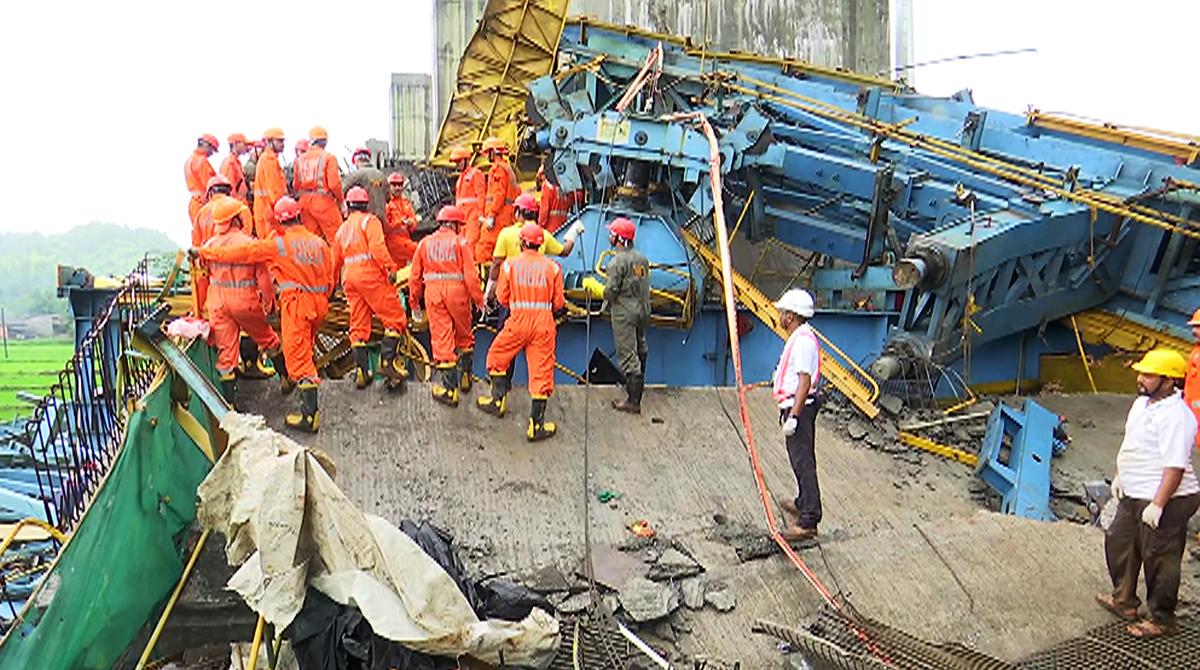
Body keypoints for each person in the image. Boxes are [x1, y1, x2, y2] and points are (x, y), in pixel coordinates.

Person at [191, 196, 334, 433]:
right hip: (315, 304)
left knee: (291, 359)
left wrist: (205, 252)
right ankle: (287, 380)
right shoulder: (319, 243)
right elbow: (328, 279)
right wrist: (270, 302)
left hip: (271, 304)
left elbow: (243, 254)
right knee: (276, 341)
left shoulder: (277, 244)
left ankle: (307, 417)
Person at [1097, 348, 1200, 638]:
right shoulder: (1142, 404)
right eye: (1141, 373)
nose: (1141, 379)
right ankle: (1124, 601)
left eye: (1149, 375)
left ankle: (1162, 619)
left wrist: (1158, 504)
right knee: (1120, 541)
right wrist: (1120, 476)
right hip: (1135, 491)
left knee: (1160, 556)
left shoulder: (1176, 417)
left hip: (1169, 498)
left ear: (1168, 381)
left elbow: (1175, 467)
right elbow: (1133, 443)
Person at [476, 223, 566, 442]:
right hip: (543, 323)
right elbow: (559, 302)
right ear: (540, 243)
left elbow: (501, 298)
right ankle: (536, 425)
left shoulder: (510, 266)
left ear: (522, 242)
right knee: (541, 373)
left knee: (497, 356)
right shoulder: (553, 268)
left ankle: (498, 401)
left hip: (517, 319)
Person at [200, 197, 282, 408]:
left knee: (226, 357)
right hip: (244, 301)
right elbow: (263, 279)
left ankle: (229, 405)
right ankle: (286, 380)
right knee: (268, 339)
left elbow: (202, 275)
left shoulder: (208, 246)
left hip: (218, 303)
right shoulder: (249, 244)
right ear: (237, 218)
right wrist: (269, 304)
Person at [331, 186, 410, 391]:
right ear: (366, 205)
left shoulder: (342, 229)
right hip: (371, 277)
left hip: (350, 280)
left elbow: (334, 262)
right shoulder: (370, 221)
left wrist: (331, 288)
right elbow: (377, 248)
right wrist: (391, 268)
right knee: (395, 319)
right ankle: (387, 363)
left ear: (348, 206)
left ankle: (362, 372)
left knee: (358, 326)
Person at [409, 205, 484, 406]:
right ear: (455, 225)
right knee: (465, 336)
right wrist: (479, 299)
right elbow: (471, 276)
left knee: (442, 341)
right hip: (458, 293)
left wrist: (414, 302)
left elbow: (414, 277)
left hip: (434, 295)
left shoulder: (424, 244)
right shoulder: (462, 243)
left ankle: (450, 391)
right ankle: (466, 378)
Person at [581, 217, 650, 413]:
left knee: (628, 354)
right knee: (641, 347)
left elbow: (610, 293)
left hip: (625, 314)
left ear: (619, 239)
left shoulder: (616, 262)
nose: (609, 236)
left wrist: (593, 286)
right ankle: (638, 388)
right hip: (643, 310)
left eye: (612, 233)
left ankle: (633, 402)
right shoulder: (642, 260)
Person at [770, 288, 823, 541]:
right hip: (796, 406)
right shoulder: (801, 336)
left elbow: (804, 381)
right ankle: (803, 501)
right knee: (798, 459)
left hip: (799, 408)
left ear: (791, 316)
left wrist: (794, 416)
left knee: (803, 462)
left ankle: (809, 519)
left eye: (783, 313)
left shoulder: (802, 341)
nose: (779, 316)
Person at [485, 192, 583, 303]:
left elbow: (496, 264)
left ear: (518, 212)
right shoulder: (543, 235)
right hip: (537, 295)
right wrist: (574, 232)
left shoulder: (506, 234)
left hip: (512, 293)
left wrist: (489, 291)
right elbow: (565, 251)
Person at [190, 176, 235, 314]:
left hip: (207, 265)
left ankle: (197, 315)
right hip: (230, 268)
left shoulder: (202, 213)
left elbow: (196, 245)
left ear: (210, 193)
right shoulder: (236, 209)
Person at [293, 127, 344, 242]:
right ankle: (333, 260)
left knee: (312, 242)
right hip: (323, 203)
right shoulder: (329, 158)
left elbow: (296, 185)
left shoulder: (299, 160)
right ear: (325, 142)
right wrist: (341, 201)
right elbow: (334, 184)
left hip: (304, 204)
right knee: (336, 240)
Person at [477, 137, 519, 264]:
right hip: (507, 217)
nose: (486, 156)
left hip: (498, 218)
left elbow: (499, 194)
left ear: (493, 152)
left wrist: (491, 215)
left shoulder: (497, 169)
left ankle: (486, 281)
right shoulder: (508, 169)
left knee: (484, 249)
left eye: (487, 153)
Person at [252, 128, 289, 239]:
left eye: (283, 141)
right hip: (269, 213)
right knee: (276, 249)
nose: (283, 144)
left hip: (266, 210)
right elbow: (275, 191)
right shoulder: (269, 160)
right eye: (279, 141)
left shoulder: (267, 159)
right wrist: (285, 212)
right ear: (269, 142)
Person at [452, 145, 486, 255]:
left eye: (458, 161)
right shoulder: (460, 178)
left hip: (472, 218)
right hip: (462, 219)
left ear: (466, 160)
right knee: (461, 246)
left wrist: (481, 215)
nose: (457, 164)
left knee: (470, 245)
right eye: (455, 162)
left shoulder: (476, 174)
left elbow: (481, 195)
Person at [383, 172, 419, 266]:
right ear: (389, 186)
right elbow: (385, 227)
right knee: (419, 251)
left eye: (400, 184)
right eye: (394, 185)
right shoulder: (386, 204)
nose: (397, 187)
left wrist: (411, 223)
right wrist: (399, 222)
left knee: (400, 271)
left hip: (404, 241)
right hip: (392, 243)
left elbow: (414, 223)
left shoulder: (406, 203)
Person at [342, 147, 388, 219]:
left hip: (364, 221)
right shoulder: (382, 176)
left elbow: (340, 192)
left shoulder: (355, 176)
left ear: (356, 161)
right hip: (381, 220)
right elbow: (388, 198)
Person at [537, 163, 581, 233]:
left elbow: (544, 211)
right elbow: (573, 200)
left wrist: (539, 226)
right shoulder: (565, 184)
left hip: (550, 228)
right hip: (564, 226)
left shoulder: (547, 185)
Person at [185, 134, 219, 222]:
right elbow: (211, 186)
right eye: (212, 149)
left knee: (198, 233)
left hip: (194, 204)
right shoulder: (202, 161)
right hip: (203, 204)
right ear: (206, 145)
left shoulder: (190, 160)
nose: (211, 153)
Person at [1184, 308, 1200, 450]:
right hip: (1193, 414)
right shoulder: (1196, 351)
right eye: (1194, 326)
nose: (1194, 331)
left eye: (1198, 327)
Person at [221, 133, 252, 203]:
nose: (246, 147)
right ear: (235, 144)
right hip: (236, 204)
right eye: (244, 144)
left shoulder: (236, 162)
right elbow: (230, 189)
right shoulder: (231, 163)